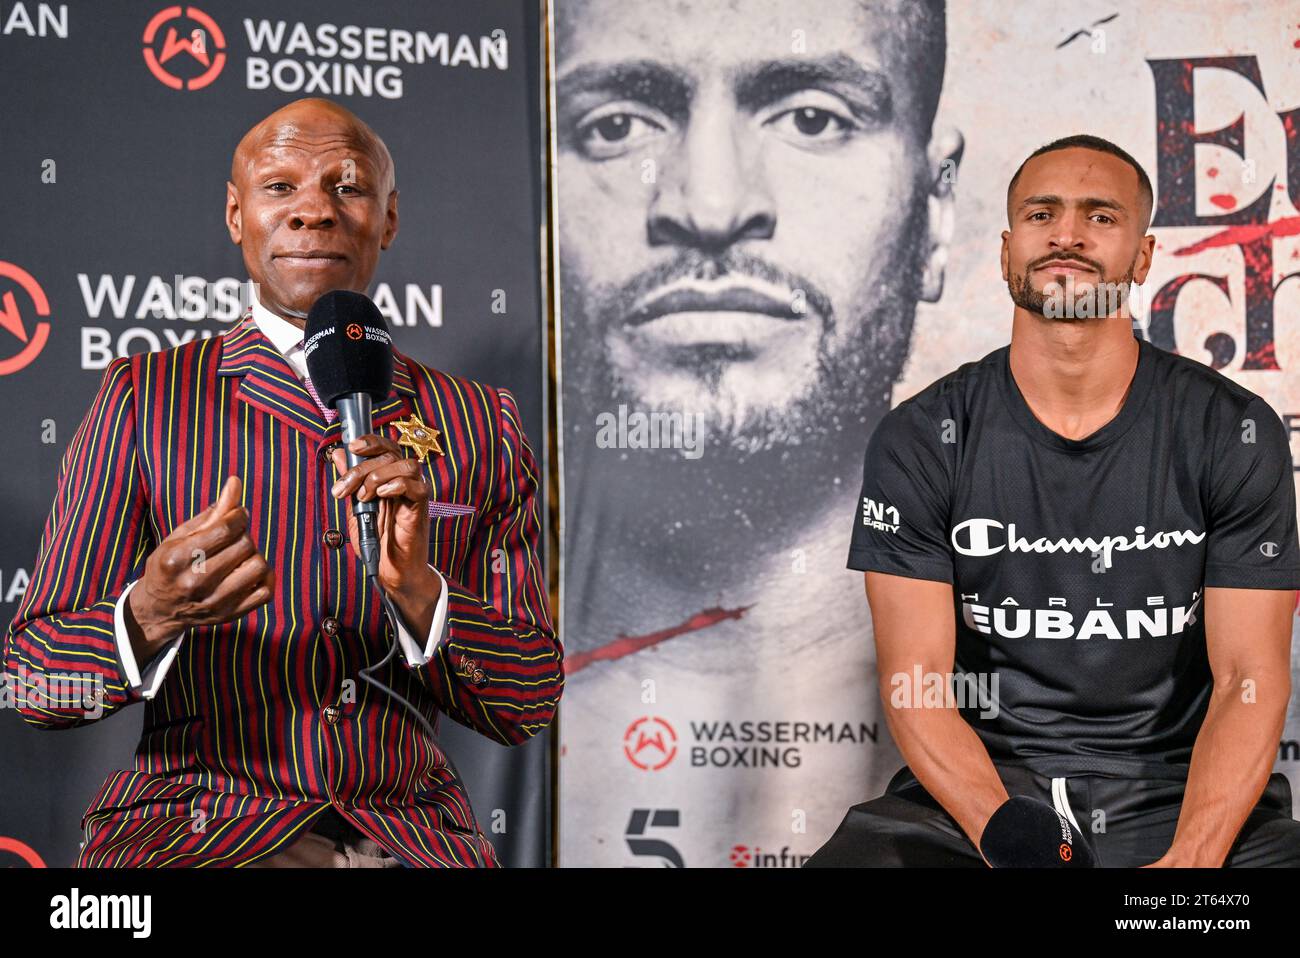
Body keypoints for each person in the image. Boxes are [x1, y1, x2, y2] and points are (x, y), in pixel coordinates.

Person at [3, 97, 562, 868]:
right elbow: (34, 684)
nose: (313, 212)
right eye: (278, 188)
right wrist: (147, 615)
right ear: (236, 216)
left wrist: (423, 596)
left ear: (389, 219)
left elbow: (526, 696)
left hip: (411, 842)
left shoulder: (477, 420)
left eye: (347, 186)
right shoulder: (145, 395)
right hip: (197, 837)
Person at [807, 134, 1300, 867]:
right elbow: (916, 685)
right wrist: (1016, 841)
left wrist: (1189, 869)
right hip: (984, 797)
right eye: (1042, 215)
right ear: (1008, 251)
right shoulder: (922, 437)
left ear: (1143, 257)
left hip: (1179, 794)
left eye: (1100, 217)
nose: (1066, 234)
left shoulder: (1233, 432)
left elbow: (1248, 681)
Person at [554, 0, 962, 864]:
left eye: (813, 119)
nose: (709, 204)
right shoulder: (421, 686)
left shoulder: (1054, 689)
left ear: (937, 208)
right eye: (618, 124)